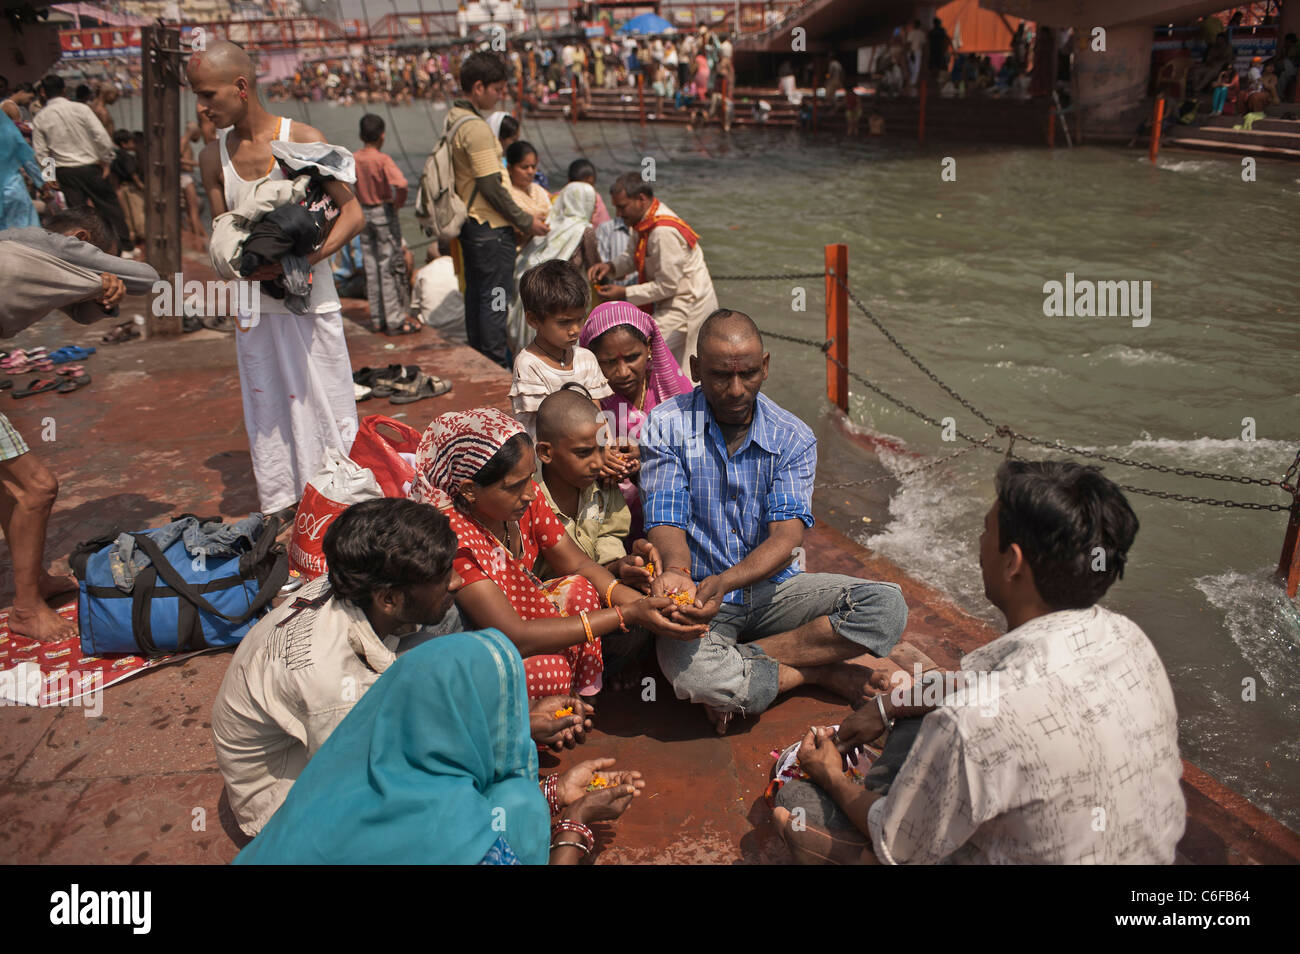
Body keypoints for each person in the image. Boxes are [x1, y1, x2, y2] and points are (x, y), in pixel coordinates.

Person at [773, 460, 1186, 865]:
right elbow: (974, 683)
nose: (981, 541)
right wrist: (883, 707)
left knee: (797, 800)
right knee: (920, 708)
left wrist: (830, 772)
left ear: (1013, 561)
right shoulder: (1130, 640)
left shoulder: (970, 725)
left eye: (988, 530)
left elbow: (896, 843)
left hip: (917, 839)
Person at [640, 310, 908, 735]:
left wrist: (727, 582)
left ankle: (746, 661)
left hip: (775, 592)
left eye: (747, 374)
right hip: (700, 598)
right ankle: (817, 672)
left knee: (887, 607)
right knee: (696, 676)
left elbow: (786, 536)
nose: (734, 390)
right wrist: (677, 571)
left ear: (765, 367)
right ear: (694, 370)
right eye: (719, 377)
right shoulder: (667, 425)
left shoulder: (793, 436)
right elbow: (665, 515)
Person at [233, 627, 643, 864]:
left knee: (518, 800)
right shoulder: (450, 836)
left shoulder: (343, 763)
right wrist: (576, 820)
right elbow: (445, 822)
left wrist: (554, 793)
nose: (515, 721)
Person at [407, 407, 706, 700]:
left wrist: (651, 606)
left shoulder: (526, 500)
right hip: (489, 644)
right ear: (470, 490)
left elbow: (579, 564)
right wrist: (627, 613)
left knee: (583, 589)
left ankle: (574, 696)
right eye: (514, 486)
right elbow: (515, 636)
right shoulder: (456, 541)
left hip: (526, 625)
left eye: (529, 478)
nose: (529, 492)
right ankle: (542, 710)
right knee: (549, 669)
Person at [211, 499, 470, 836]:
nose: (458, 580)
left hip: (316, 738)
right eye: (443, 574)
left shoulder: (347, 585)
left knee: (450, 643)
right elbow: (362, 784)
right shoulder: (333, 684)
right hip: (284, 814)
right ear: (388, 599)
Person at [190, 39, 363, 521]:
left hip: (313, 300)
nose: (201, 108)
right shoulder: (210, 159)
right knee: (268, 414)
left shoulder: (301, 137)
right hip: (253, 308)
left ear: (241, 87)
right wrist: (243, 266)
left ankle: (342, 501)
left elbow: (352, 214)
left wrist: (309, 258)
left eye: (207, 95)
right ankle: (285, 507)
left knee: (329, 404)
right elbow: (224, 234)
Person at [0, 209, 159, 641]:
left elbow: (82, 314)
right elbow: (147, 277)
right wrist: (98, 276)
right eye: (98, 256)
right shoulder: (56, 246)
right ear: (80, 238)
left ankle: (32, 583)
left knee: (10, 491)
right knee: (37, 487)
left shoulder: (14, 242)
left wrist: (100, 291)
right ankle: (26, 609)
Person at [446, 52, 548, 368]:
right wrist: (524, 220)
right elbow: (491, 185)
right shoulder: (476, 128)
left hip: (470, 225)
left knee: (477, 295)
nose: (500, 95)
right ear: (478, 87)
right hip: (489, 229)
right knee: (495, 300)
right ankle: (492, 364)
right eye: (497, 89)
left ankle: (478, 357)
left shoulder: (453, 119)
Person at [578, 299, 694, 534]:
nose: (622, 372)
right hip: (608, 519)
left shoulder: (672, 389)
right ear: (591, 357)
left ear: (649, 347)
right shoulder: (586, 399)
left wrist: (646, 453)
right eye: (609, 362)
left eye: (632, 357)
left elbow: (698, 452)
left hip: (671, 514)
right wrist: (601, 461)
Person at [588, 173, 717, 377]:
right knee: (654, 359)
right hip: (670, 301)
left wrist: (624, 293)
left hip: (688, 305)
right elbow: (632, 257)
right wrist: (610, 267)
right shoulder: (642, 223)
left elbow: (667, 285)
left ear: (641, 199)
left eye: (622, 207)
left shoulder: (662, 231)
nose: (618, 214)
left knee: (647, 353)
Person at [30, 74, 134, 258]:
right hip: (91, 167)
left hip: (65, 172)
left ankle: (87, 254)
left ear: (44, 93)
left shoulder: (40, 118)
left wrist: (49, 175)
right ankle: (125, 248)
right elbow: (101, 136)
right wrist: (106, 160)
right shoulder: (81, 109)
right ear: (64, 90)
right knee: (109, 207)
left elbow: (41, 151)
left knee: (78, 215)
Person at [509, 259, 611, 437]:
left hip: (588, 451)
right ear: (533, 320)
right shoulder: (529, 364)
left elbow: (597, 413)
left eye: (580, 319)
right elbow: (546, 428)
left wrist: (606, 447)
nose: (575, 330)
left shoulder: (585, 359)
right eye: (564, 322)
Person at [353, 113, 414, 335]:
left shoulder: (354, 158)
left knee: (371, 266)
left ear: (361, 135)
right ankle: (394, 320)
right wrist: (397, 204)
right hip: (382, 212)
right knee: (388, 267)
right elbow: (402, 183)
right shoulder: (382, 160)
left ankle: (377, 318)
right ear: (382, 135)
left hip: (363, 213)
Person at [408, 237, 465, 342]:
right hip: (465, 334)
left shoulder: (423, 273)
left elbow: (414, 311)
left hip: (434, 334)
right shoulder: (463, 269)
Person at [0, 111, 43, 230]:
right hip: (13, 190)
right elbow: (28, 160)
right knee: (27, 237)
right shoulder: (7, 129)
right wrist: (42, 183)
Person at [504, 140, 551, 246]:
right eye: (524, 167)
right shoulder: (506, 194)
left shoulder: (538, 189)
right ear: (510, 169)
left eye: (533, 167)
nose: (530, 172)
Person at [109, 128, 145, 246]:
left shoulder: (115, 156)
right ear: (124, 144)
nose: (134, 144)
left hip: (121, 188)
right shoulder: (128, 157)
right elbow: (132, 172)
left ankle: (131, 236)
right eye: (131, 142)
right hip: (132, 188)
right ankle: (141, 235)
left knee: (128, 215)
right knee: (138, 213)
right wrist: (140, 184)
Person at [567, 158, 610, 227]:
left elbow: (605, 228)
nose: (586, 192)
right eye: (581, 188)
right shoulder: (559, 200)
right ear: (569, 183)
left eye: (589, 187)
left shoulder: (596, 201)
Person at [905, 19, 926, 91]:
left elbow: (909, 43)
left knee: (913, 67)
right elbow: (923, 44)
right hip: (916, 52)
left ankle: (913, 82)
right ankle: (912, 81)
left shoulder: (913, 33)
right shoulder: (921, 33)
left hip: (913, 51)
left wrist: (908, 51)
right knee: (915, 67)